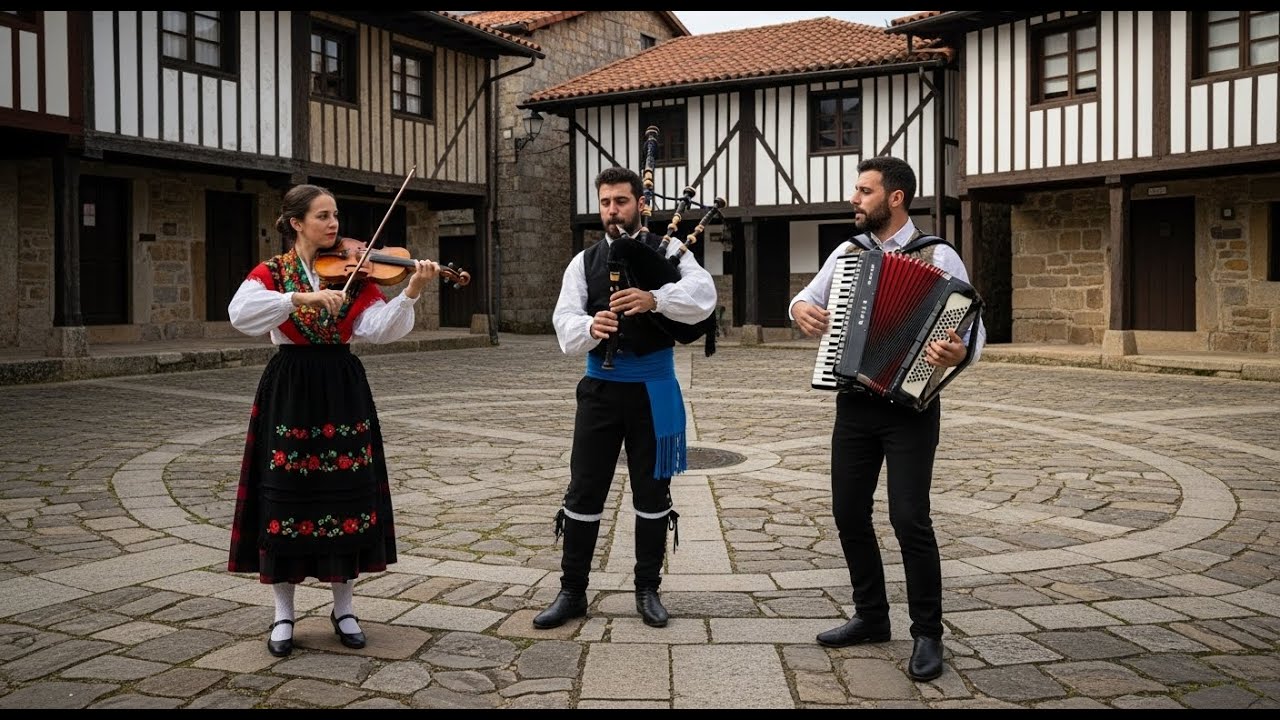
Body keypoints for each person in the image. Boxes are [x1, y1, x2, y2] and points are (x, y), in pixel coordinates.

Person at [789, 156, 986, 682]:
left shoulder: (939, 254)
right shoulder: (849, 252)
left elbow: (972, 325)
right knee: (848, 512)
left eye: (864, 191)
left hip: (911, 408)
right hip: (854, 401)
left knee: (908, 518)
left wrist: (958, 353)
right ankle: (872, 616)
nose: (854, 199)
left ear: (894, 197)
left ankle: (928, 634)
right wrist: (798, 309)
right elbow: (808, 297)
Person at [226, 183, 439, 657]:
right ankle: (284, 613)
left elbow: (380, 331)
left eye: (336, 215)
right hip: (290, 386)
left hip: (341, 386)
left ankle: (344, 608)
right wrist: (297, 300)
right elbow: (240, 313)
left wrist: (412, 290)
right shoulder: (273, 273)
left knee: (346, 495)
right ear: (296, 223)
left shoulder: (357, 277)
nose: (335, 225)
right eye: (323, 216)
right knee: (286, 496)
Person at [536, 166, 718, 630]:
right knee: (584, 488)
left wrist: (654, 298)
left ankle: (647, 590)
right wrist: (589, 327)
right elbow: (564, 321)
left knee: (652, 491)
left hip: (653, 392)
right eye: (605, 202)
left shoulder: (670, 250)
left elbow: (703, 296)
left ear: (640, 203)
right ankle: (572, 591)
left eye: (620, 200)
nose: (612, 210)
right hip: (600, 390)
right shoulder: (585, 261)